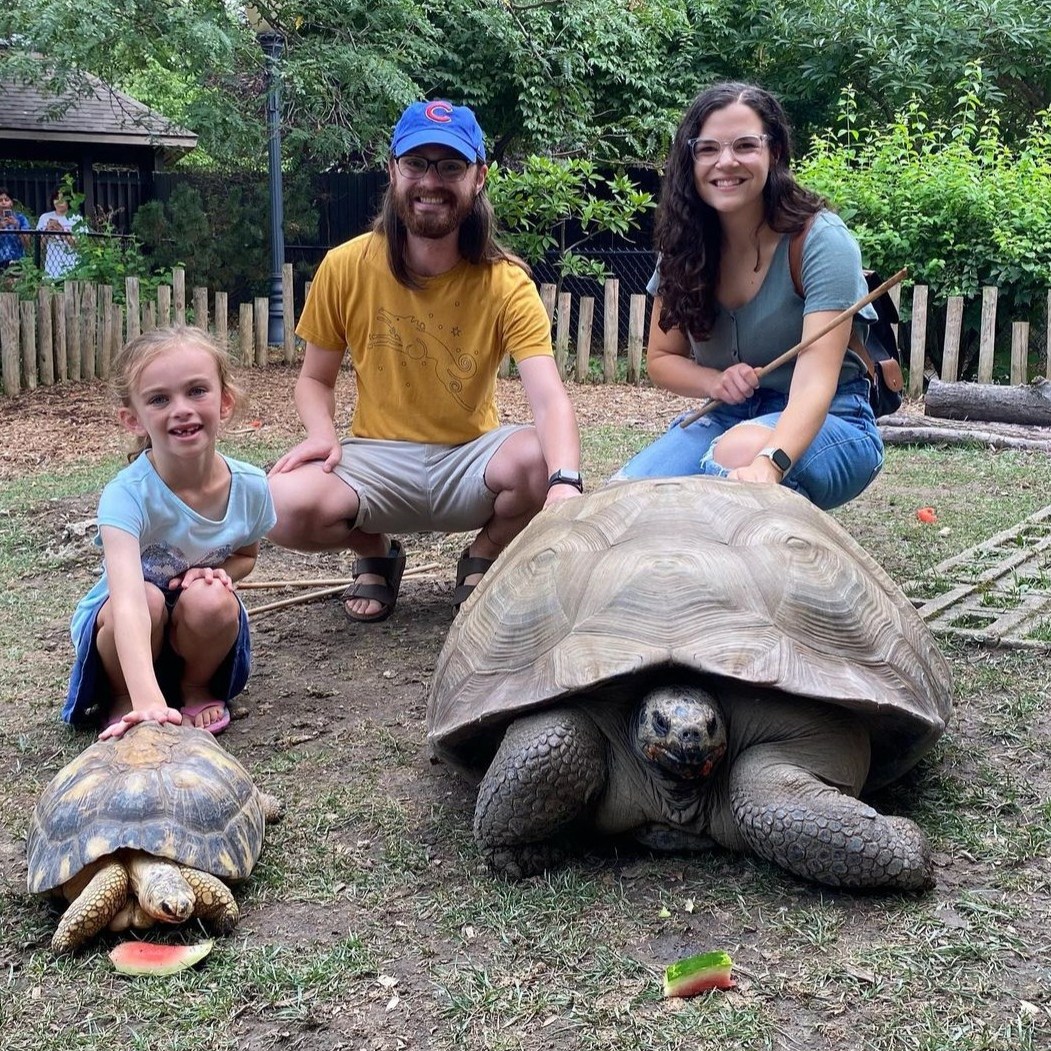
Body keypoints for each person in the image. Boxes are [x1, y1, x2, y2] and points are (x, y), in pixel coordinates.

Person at [268, 99, 582, 622]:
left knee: (538, 459)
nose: (430, 181)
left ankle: (483, 553)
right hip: (375, 461)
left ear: (479, 176)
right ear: (393, 170)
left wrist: (566, 482)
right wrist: (322, 434)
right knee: (279, 501)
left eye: (450, 166)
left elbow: (548, 398)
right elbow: (314, 380)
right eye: (416, 164)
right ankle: (376, 552)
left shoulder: (507, 281)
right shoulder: (345, 265)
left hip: (469, 460)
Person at [615, 82, 883, 510]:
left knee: (732, 458)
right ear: (690, 157)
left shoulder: (822, 242)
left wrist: (771, 462)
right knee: (625, 498)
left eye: (744, 145)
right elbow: (661, 360)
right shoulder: (681, 248)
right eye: (708, 149)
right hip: (726, 414)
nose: (726, 161)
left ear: (773, 152)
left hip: (833, 419)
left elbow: (815, 381)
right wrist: (715, 381)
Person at [62, 325, 277, 740]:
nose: (181, 408)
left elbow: (246, 556)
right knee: (146, 595)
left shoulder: (251, 487)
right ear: (132, 418)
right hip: (125, 630)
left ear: (225, 401)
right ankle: (125, 696)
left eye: (197, 390)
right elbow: (125, 604)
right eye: (159, 399)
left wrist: (218, 575)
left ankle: (194, 687)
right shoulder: (126, 496)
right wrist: (146, 703)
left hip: (198, 638)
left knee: (214, 599)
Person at [35, 186, 86, 279]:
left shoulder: (77, 218)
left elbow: (80, 245)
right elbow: (40, 246)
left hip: (73, 266)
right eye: (56, 199)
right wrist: (47, 231)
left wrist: (61, 231)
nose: (59, 202)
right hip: (51, 268)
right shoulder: (44, 218)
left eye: (63, 199)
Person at [0, 187, 31, 270]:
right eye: (0, 200)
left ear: (11, 203)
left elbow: (27, 244)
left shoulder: (21, 219)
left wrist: (17, 226)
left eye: (6, 200)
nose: (3, 203)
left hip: (18, 261)